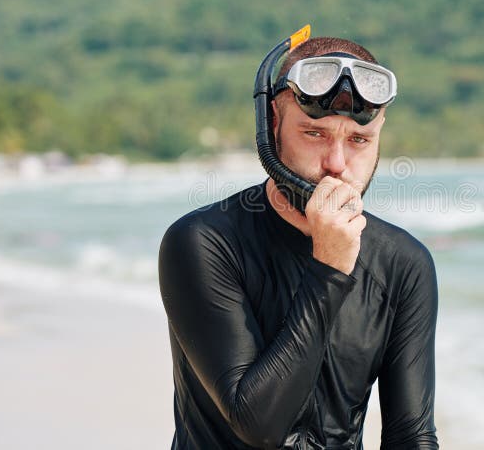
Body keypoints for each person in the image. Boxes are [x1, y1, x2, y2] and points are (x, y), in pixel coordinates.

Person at [158, 32, 439, 449]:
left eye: (359, 140)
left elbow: (410, 435)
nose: (337, 164)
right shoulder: (203, 242)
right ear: (273, 124)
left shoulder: (402, 263)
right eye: (314, 134)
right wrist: (329, 268)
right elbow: (258, 424)